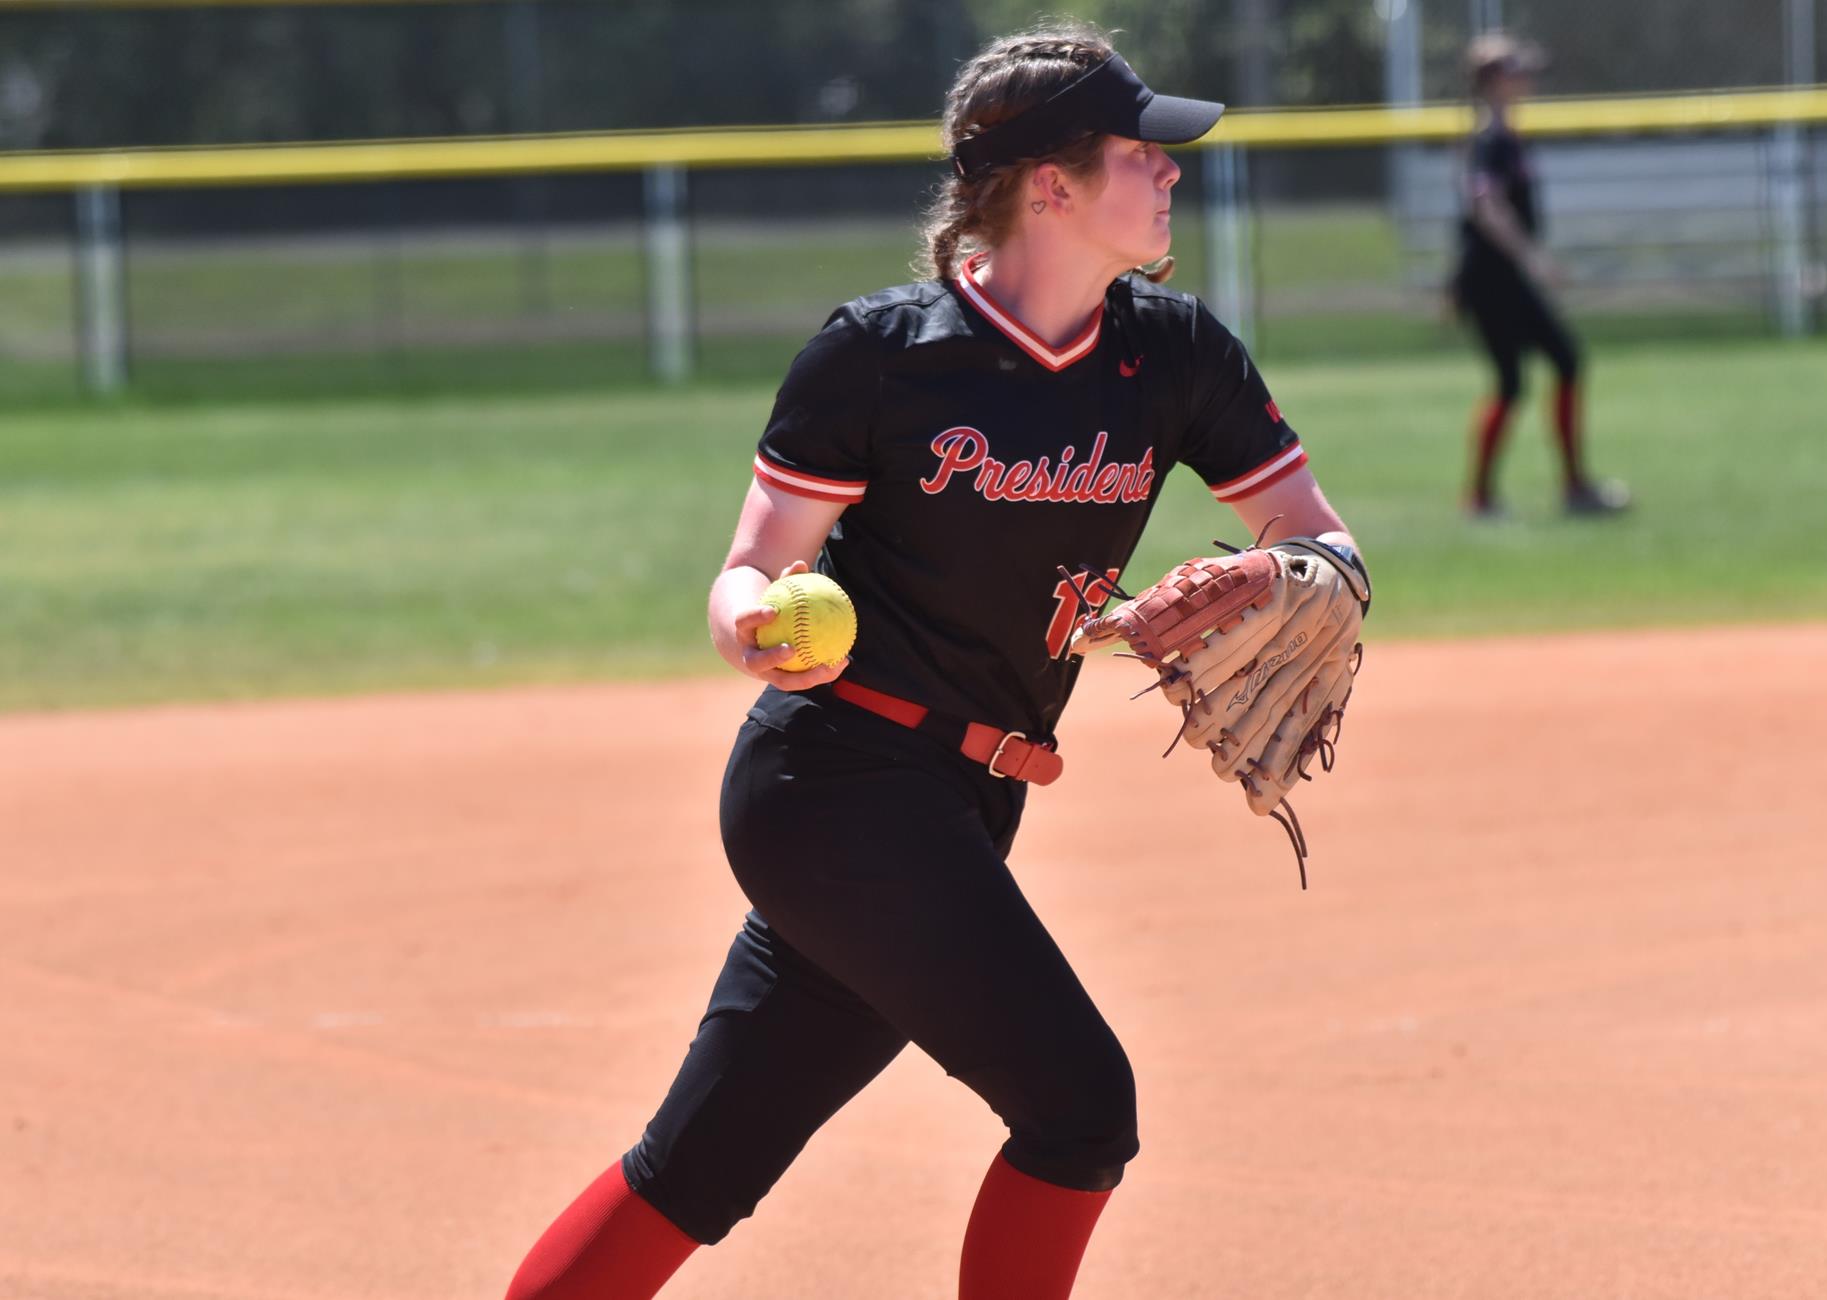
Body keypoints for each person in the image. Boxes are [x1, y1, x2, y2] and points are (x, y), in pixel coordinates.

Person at [501, 22, 1363, 1300]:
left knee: (702, 1161)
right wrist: (748, 619)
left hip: (966, 802)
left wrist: (1275, 572)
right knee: (1080, 1106)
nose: (1172, 173)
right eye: (1142, 154)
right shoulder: (882, 357)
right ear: (1049, 185)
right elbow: (751, 564)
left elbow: (1322, 539)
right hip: (835, 784)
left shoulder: (1172, 355)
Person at [1450, 32, 1629, 519]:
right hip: (1492, 278)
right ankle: (1491, 496)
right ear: (1492, 80)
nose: (1526, 78)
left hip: (1503, 278)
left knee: (1555, 366)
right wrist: (1532, 257)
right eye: (1516, 70)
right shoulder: (1488, 139)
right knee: (1526, 377)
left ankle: (1556, 488)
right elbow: (1486, 207)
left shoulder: (1506, 136)